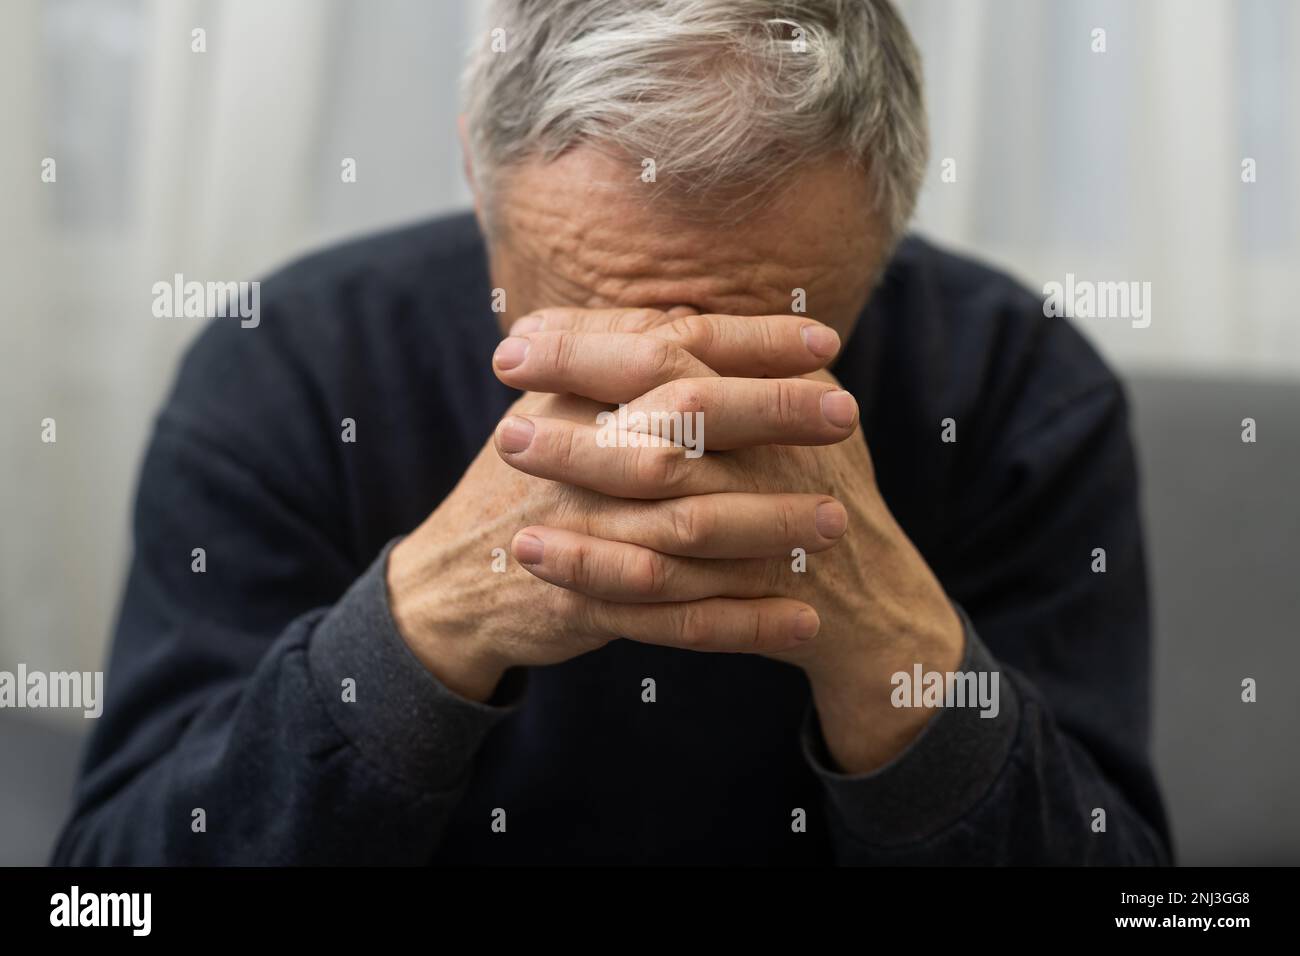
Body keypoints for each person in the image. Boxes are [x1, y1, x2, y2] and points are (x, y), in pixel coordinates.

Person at [53, 0, 1170, 865]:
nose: (670, 409)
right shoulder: (288, 364)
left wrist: (901, 657)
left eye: (754, 340)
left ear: (891, 215)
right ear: (477, 181)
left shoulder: (1020, 384)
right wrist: (420, 627)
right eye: (590, 325)